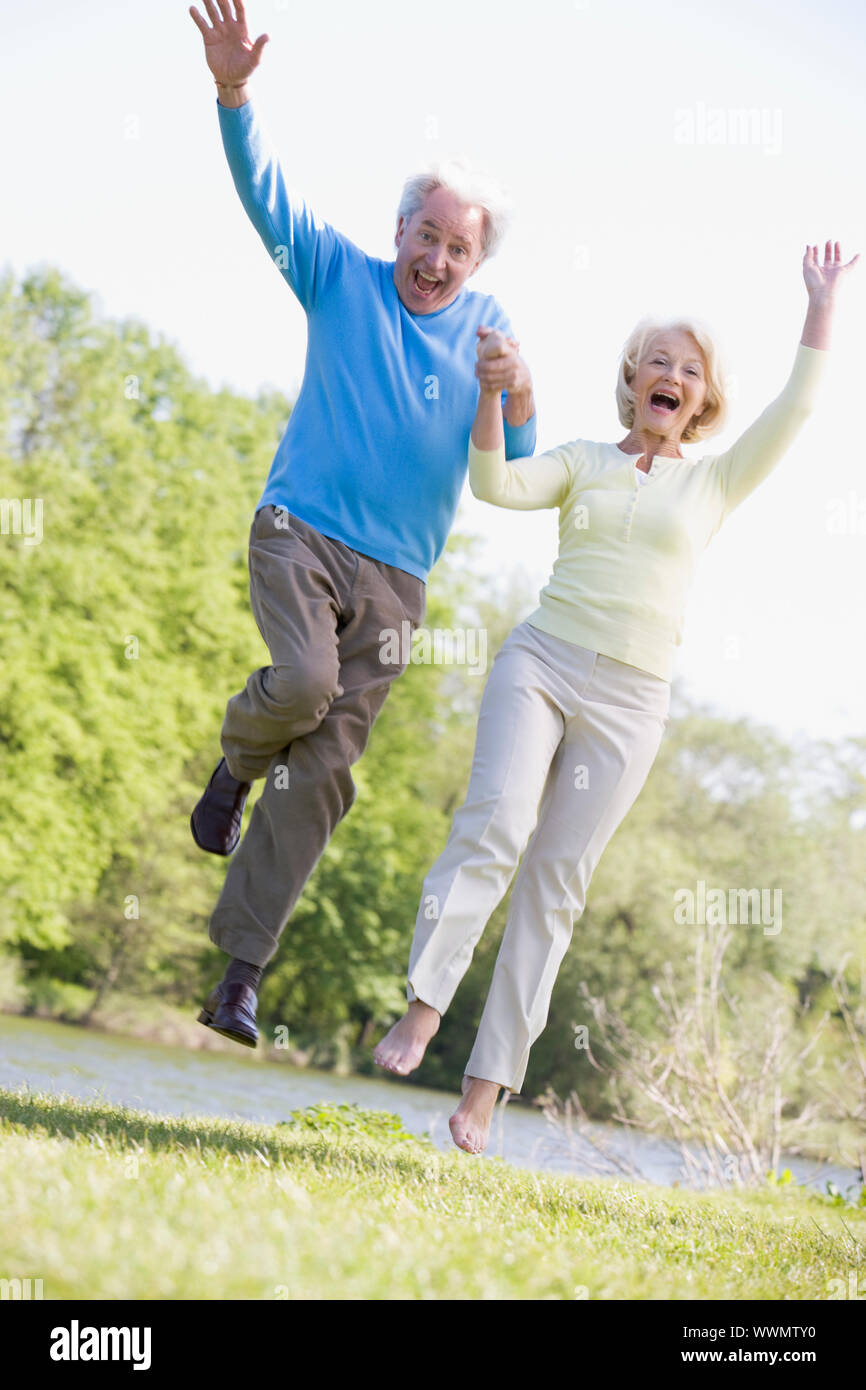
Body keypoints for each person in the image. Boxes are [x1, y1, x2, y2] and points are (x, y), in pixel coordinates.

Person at [374, 241, 858, 1154]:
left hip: (631, 702)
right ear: (633, 381)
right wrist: (489, 395)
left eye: (690, 369)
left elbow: (798, 406)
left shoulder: (715, 481)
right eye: (657, 363)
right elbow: (495, 483)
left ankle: (485, 1093)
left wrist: (821, 307)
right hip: (542, 664)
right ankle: (425, 1009)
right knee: (494, 827)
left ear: (703, 399)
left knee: (553, 886)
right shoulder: (583, 460)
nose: (671, 376)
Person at [187, 0, 537, 1047]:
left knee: (326, 765)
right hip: (300, 531)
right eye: (423, 235)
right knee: (300, 687)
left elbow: (511, 467)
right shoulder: (338, 273)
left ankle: (238, 976)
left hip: (398, 582)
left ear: (476, 262)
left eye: (455, 249)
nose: (434, 258)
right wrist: (235, 93)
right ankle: (232, 763)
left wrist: (516, 391)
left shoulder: (490, 331)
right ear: (397, 230)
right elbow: (265, 197)